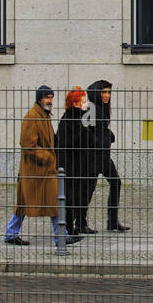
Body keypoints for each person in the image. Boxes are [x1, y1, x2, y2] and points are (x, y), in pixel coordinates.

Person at [8, 84, 79, 247]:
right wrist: (48, 157)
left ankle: (12, 233)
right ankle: (60, 236)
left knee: (49, 202)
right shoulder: (32, 116)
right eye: (47, 97)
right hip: (35, 169)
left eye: (52, 97)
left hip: (44, 169)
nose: (50, 100)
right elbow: (27, 145)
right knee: (29, 203)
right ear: (40, 98)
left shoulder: (44, 115)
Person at [87, 79, 129, 232]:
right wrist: (100, 138)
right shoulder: (91, 108)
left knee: (116, 182)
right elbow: (86, 130)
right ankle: (80, 222)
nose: (107, 95)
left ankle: (112, 221)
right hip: (93, 157)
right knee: (88, 189)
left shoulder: (102, 108)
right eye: (103, 92)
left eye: (108, 92)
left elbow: (98, 127)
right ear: (96, 93)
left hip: (104, 156)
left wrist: (107, 133)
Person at [56, 86, 96, 238]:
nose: (86, 104)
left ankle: (72, 227)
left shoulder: (79, 119)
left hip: (78, 166)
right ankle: (67, 230)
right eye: (83, 101)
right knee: (70, 198)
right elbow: (69, 143)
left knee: (76, 197)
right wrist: (84, 131)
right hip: (70, 167)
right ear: (75, 103)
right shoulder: (69, 120)